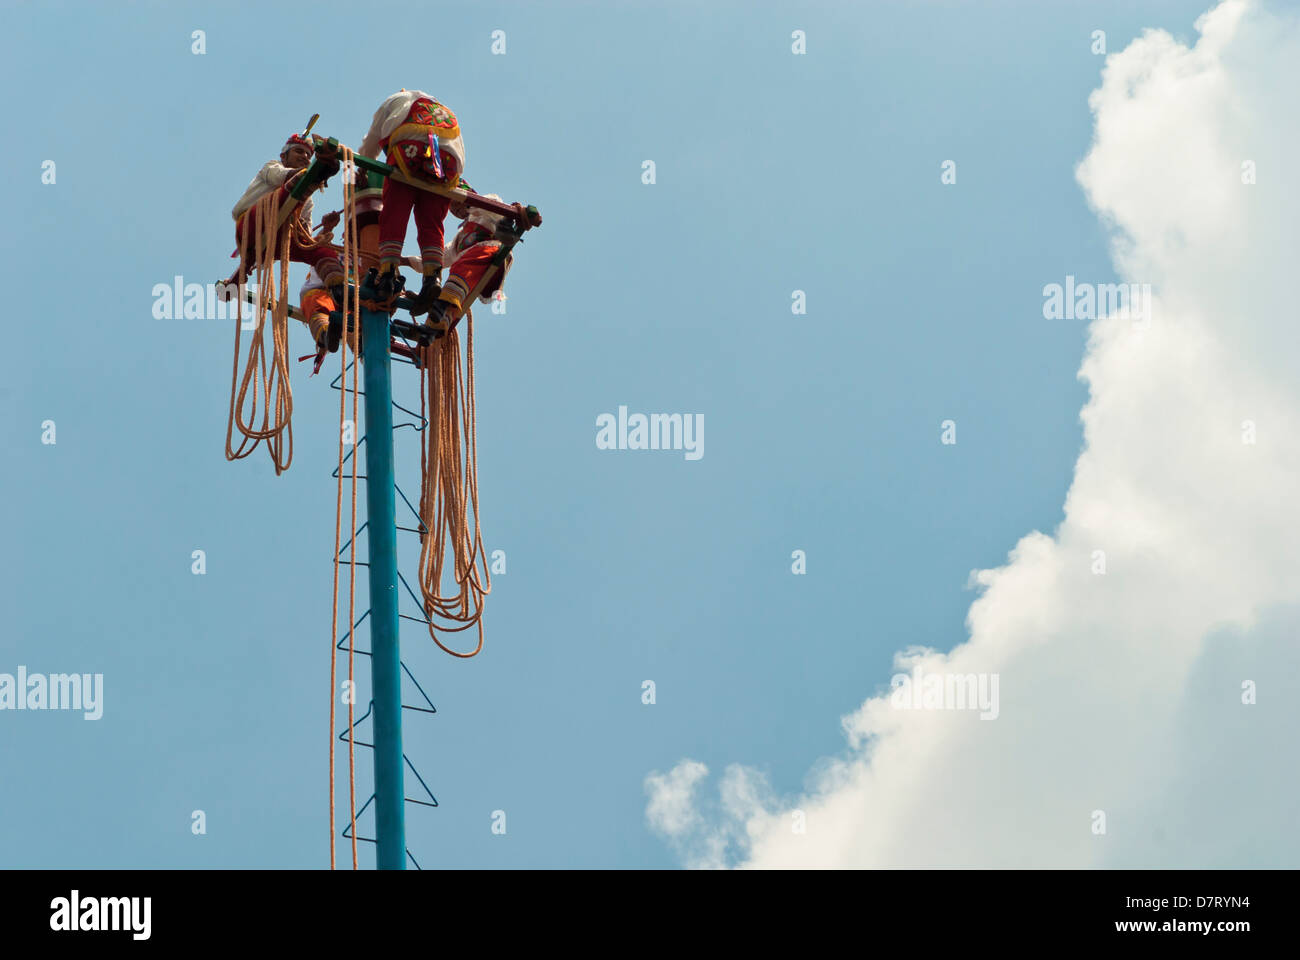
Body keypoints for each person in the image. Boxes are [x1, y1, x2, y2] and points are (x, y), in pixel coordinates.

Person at [358, 89, 466, 311]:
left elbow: (371, 144)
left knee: (394, 215)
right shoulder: (442, 110)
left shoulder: (394, 101)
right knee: (432, 223)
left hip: (408, 153)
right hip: (447, 165)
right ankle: (433, 278)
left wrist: (363, 167)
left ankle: (387, 274)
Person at [219, 133, 345, 301]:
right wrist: (310, 175)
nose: (305, 157)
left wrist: (326, 228)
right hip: (252, 226)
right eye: (299, 152)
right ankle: (315, 176)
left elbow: (305, 236)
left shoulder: (308, 202)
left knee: (322, 252)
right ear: (283, 156)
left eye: (309, 155)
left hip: (279, 241)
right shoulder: (271, 166)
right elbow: (282, 176)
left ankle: (339, 291)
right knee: (286, 194)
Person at [425, 193, 514, 332]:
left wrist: (469, 204)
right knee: (459, 289)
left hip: (491, 252)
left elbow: (497, 208)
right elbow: (441, 257)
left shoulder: (485, 206)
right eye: (452, 209)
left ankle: (442, 303)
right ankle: (435, 327)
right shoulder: (459, 237)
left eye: (455, 204)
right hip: (470, 273)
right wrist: (405, 261)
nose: (455, 210)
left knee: (461, 268)